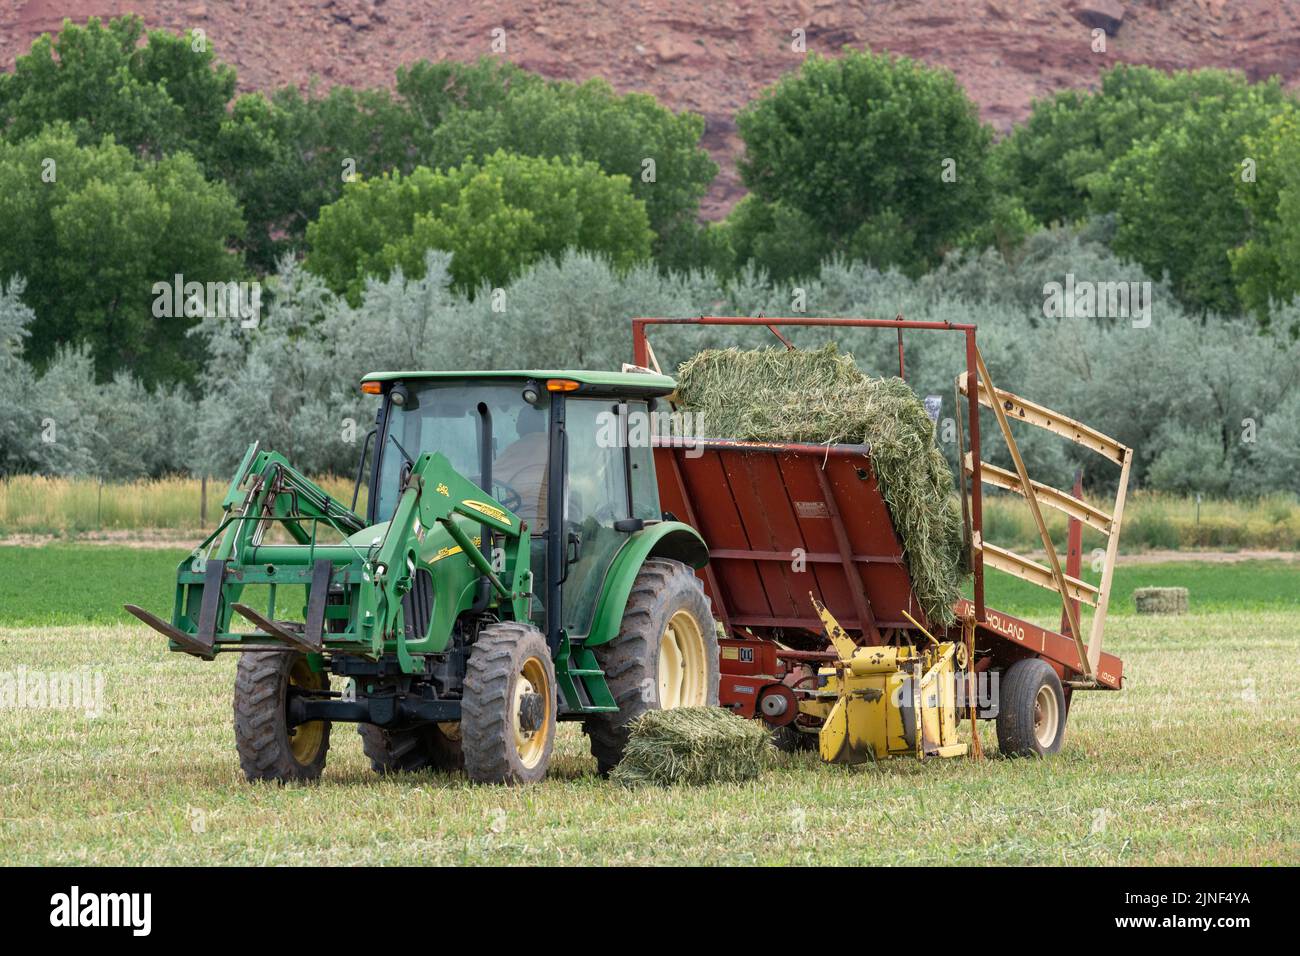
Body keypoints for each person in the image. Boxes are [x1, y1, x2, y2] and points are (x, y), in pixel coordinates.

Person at [492, 410, 549, 529]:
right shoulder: (556, 446)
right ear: (543, 426)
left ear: (519, 427)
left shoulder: (520, 448)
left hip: (524, 524)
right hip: (551, 524)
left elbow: (486, 479)